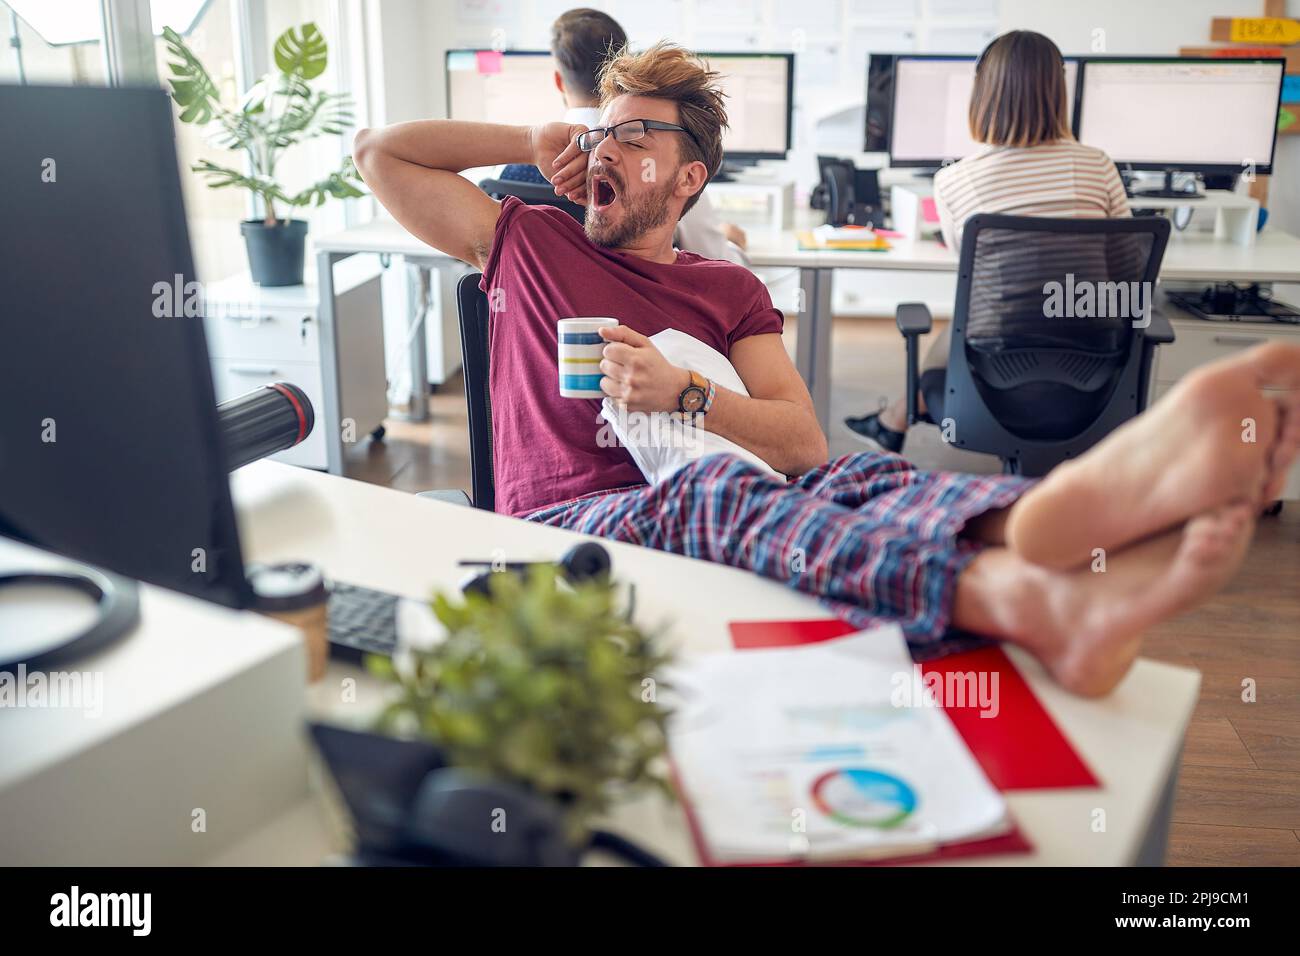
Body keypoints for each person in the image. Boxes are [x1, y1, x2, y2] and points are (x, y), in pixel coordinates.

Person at [354, 42, 1300, 697]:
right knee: (719, 494)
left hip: (700, 484)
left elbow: (801, 441)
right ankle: (1027, 599)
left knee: (862, 474)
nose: (608, 147)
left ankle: (1044, 523)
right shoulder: (523, 241)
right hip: (559, 529)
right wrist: (526, 142)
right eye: (602, 132)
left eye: (639, 138)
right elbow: (379, 153)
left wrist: (688, 394)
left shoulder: (726, 289)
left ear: (691, 180)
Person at [845, 30, 1131, 453]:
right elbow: (1128, 271)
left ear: (983, 93)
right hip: (1097, 361)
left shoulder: (955, 180)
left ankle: (898, 418)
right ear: (1058, 91)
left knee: (967, 321)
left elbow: (976, 277)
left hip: (998, 370)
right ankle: (896, 419)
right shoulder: (1099, 165)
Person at [499, 7, 748, 263]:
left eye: (634, 140)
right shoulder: (665, 167)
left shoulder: (512, 172)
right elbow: (715, 256)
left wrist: (528, 143)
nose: (602, 151)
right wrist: (733, 244)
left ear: (559, 81)